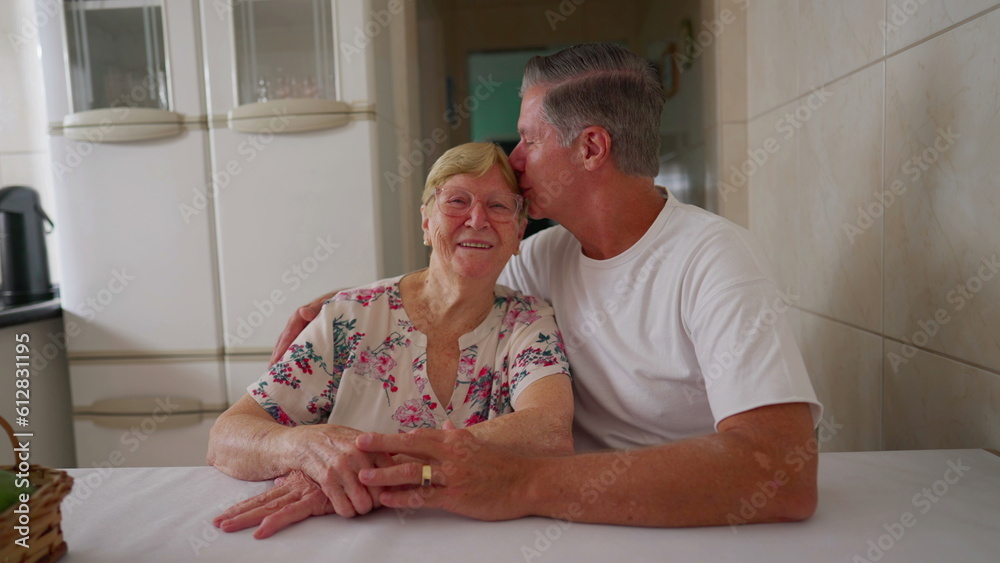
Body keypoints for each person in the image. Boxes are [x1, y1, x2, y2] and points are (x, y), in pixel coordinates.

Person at [276, 43, 823, 528]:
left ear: (590, 148)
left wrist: (520, 484)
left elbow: (778, 470)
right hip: (572, 526)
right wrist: (347, 304)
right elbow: (448, 287)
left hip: (684, 530)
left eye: (529, 140)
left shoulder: (715, 259)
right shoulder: (543, 255)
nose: (512, 160)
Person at [207, 142, 574, 538]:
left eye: (500, 206)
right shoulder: (349, 315)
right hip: (341, 540)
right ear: (426, 223)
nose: (477, 218)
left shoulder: (528, 321)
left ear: (519, 231)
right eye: (457, 201)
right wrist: (302, 448)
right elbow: (226, 437)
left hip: (473, 543)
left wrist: (362, 470)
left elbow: (549, 432)